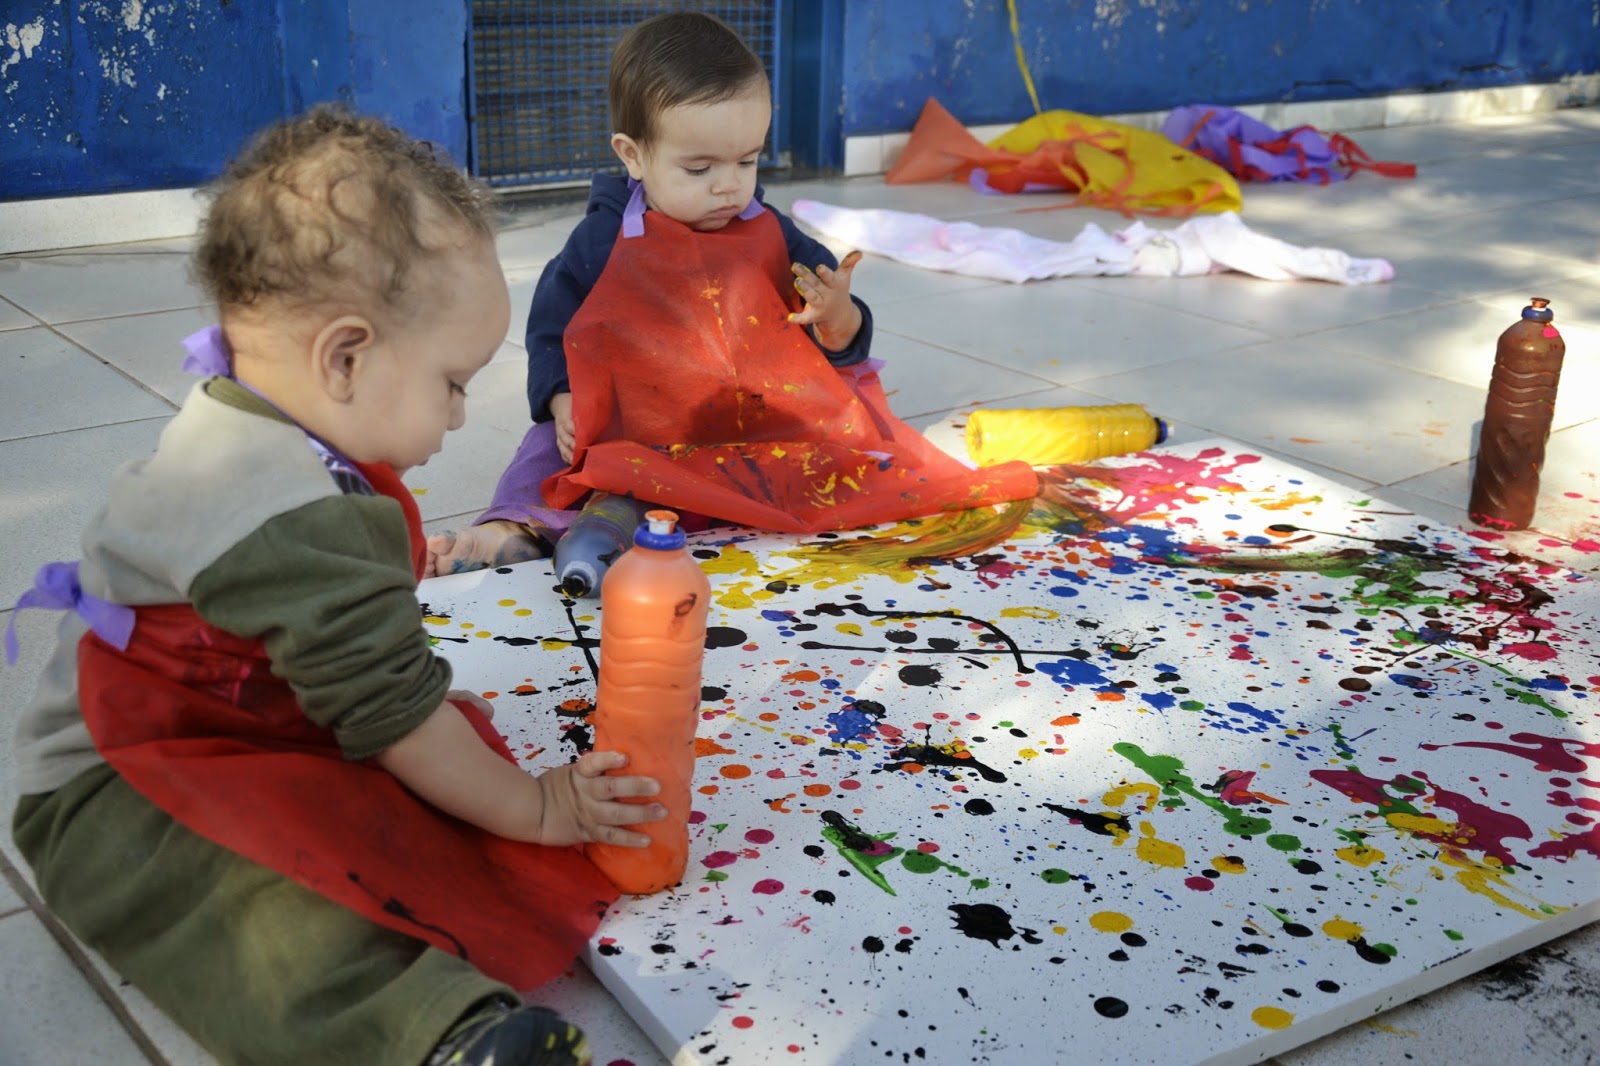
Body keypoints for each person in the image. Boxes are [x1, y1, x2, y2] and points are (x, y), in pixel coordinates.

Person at [7, 107, 664, 1066]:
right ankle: (431, 1035)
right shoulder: (287, 515)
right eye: (452, 381)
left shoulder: (267, 418)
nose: (458, 414)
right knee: (258, 920)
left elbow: (299, 604)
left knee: (426, 788)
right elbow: (390, 704)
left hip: (244, 725)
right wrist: (543, 807)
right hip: (118, 799)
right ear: (345, 357)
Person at [427, 11, 1036, 577]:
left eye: (746, 161)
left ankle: (634, 508)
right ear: (633, 156)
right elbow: (551, 325)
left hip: (737, 424)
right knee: (544, 452)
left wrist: (838, 317)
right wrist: (561, 397)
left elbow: (832, 331)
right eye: (699, 169)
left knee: (849, 451)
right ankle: (516, 526)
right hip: (631, 422)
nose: (728, 187)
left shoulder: (768, 230)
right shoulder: (604, 238)